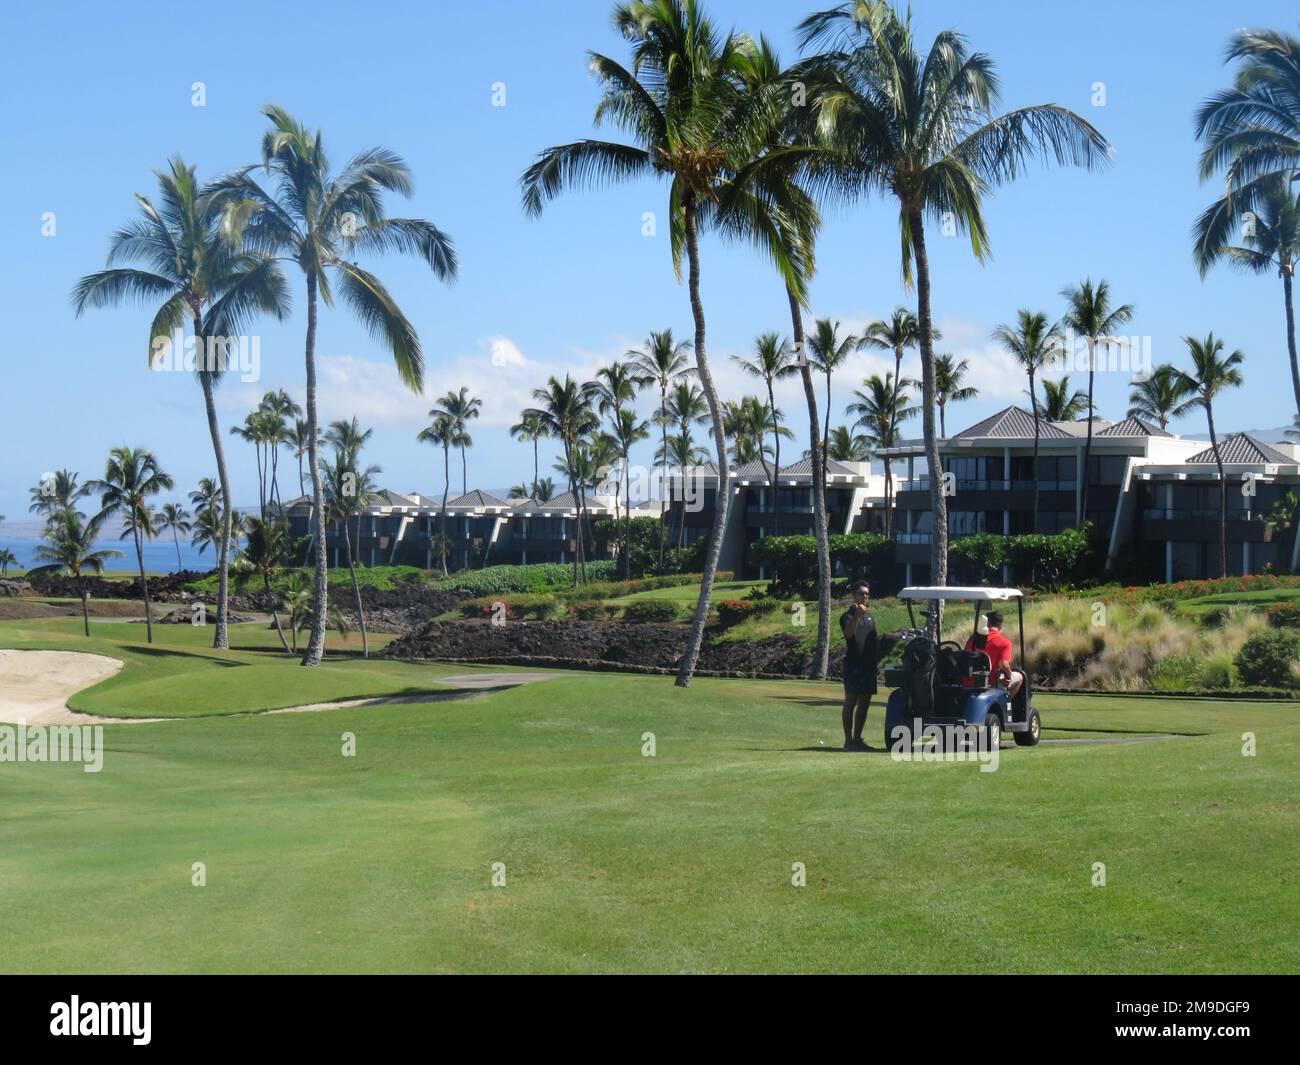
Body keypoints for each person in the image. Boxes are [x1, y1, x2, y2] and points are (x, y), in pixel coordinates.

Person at [839, 580, 878, 751]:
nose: (865, 597)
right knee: (851, 701)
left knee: (864, 703)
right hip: (853, 665)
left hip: (868, 666)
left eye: (867, 594)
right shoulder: (847, 616)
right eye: (861, 593)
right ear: (853, 596)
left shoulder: (870, 617)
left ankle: (857, 739)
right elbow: (848, 634)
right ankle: (848, 741)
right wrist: (857, 615)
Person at [966, 610, 1023, 698]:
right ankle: (1006, 702)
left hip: (968, 681)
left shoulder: (972, 639)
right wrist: (1009, 676)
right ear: (1000, 625)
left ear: (987, 623)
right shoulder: (1004, 642)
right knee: (1020, 677)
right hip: (991, 682)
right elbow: (1004, 664)